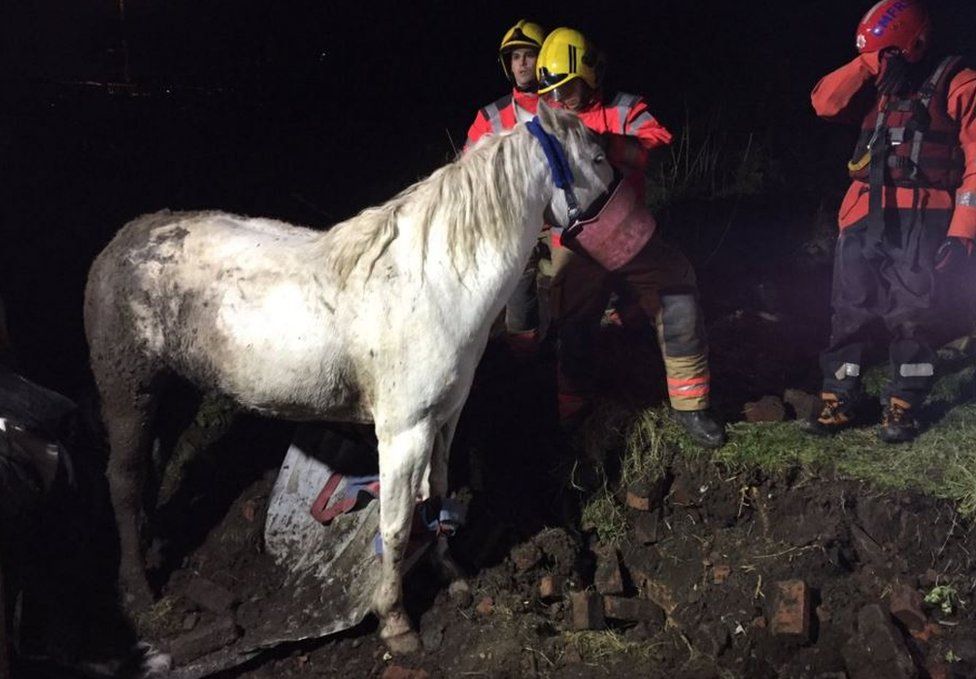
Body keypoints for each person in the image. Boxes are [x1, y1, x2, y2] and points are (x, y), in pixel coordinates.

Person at [535, 27, 726, 448]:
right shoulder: (546, 122)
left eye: (567, 88)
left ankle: (691, 407)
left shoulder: (623, 109)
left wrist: (605, 146)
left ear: (589, 76)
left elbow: (658, 142)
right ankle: (572, 410)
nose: (560, 99)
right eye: (551, 92)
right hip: (576, 244)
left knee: (677, 294)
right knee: (574, 325)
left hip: (629, 232)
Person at [802, 0, 976, 442]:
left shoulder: (960, 83)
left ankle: (903, 403)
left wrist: (963, 230)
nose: (883, 61)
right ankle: (840, 395)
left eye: (887, 52)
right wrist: (868, 65)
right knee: (850, 310)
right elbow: (824, 104)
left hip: (924, 213)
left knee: (914, 313)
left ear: (915, 42)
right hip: (863, 209)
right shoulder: (873, 81)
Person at [465, 20, 549, 355]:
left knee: (579, 286)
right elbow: (467, 174)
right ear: (508, 65)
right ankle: (524, 355)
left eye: (529, 55)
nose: (523, 63)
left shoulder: (563, 104)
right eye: (515, 57)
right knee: (519, 294)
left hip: (561, 223)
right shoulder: (490, 116)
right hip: (515, 225)